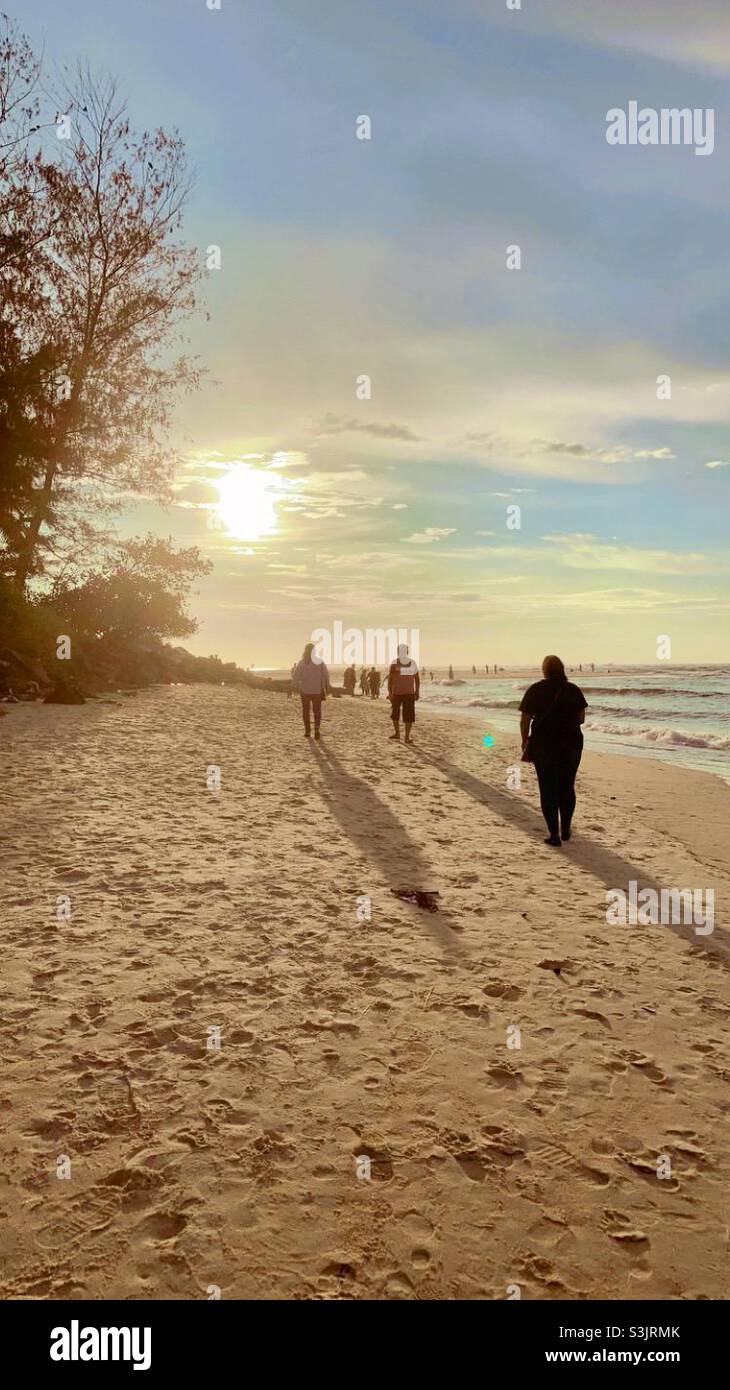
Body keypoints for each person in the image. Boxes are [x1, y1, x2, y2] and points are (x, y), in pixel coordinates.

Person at [519, 655, 587, 846]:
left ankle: (554, 835)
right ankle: (566, 827)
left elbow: (525, 719)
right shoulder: (572, 689)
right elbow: (581, 718)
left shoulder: (536, 689)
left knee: (548, 788)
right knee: (567, 786)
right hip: (571, 744)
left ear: (545, 670)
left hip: (543, 745)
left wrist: (524, 740)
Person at [291, 642, 331, 739]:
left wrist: (294, 686)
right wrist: (327, 685)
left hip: (304, 691)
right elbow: (326, 674)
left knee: (306, 711)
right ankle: (317, 729)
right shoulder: (320, 661)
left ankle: (307, 731)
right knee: (317, 711)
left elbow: (296, 676)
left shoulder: (302, 662)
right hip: (317, 691)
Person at [388, 643, 419, 743]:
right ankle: (397, 733)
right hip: (397, 693)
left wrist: (417, 691)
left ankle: (406, 737)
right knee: (395, 714)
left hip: (409, 693)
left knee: (409, 716)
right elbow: (390, 680)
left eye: (403, 651)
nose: (401, 653)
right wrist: (390, 693)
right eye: (400, 651)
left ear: (406, 652)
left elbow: (417, 678)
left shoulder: (412, 663)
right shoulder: (394, 663)